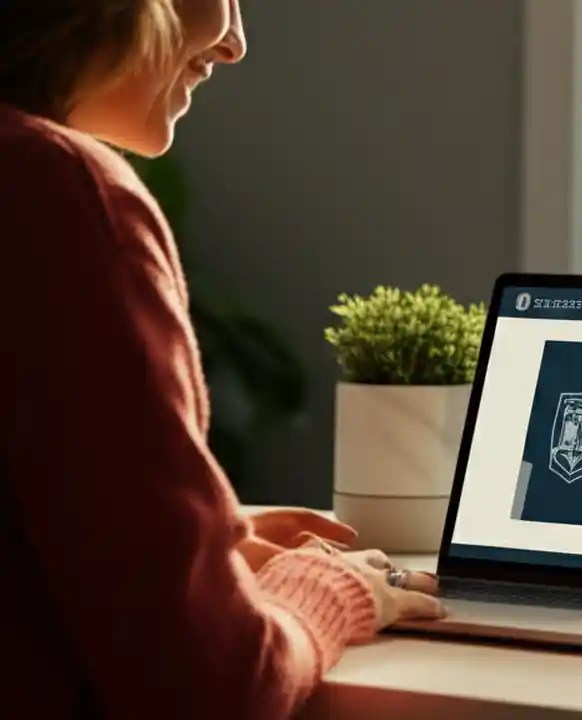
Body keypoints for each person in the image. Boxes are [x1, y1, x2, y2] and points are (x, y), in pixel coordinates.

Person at [0, 2, 446, 717]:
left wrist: (199, 543)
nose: (234, 42)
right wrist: (325, 592)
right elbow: (214, 685)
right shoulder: (58, 191)